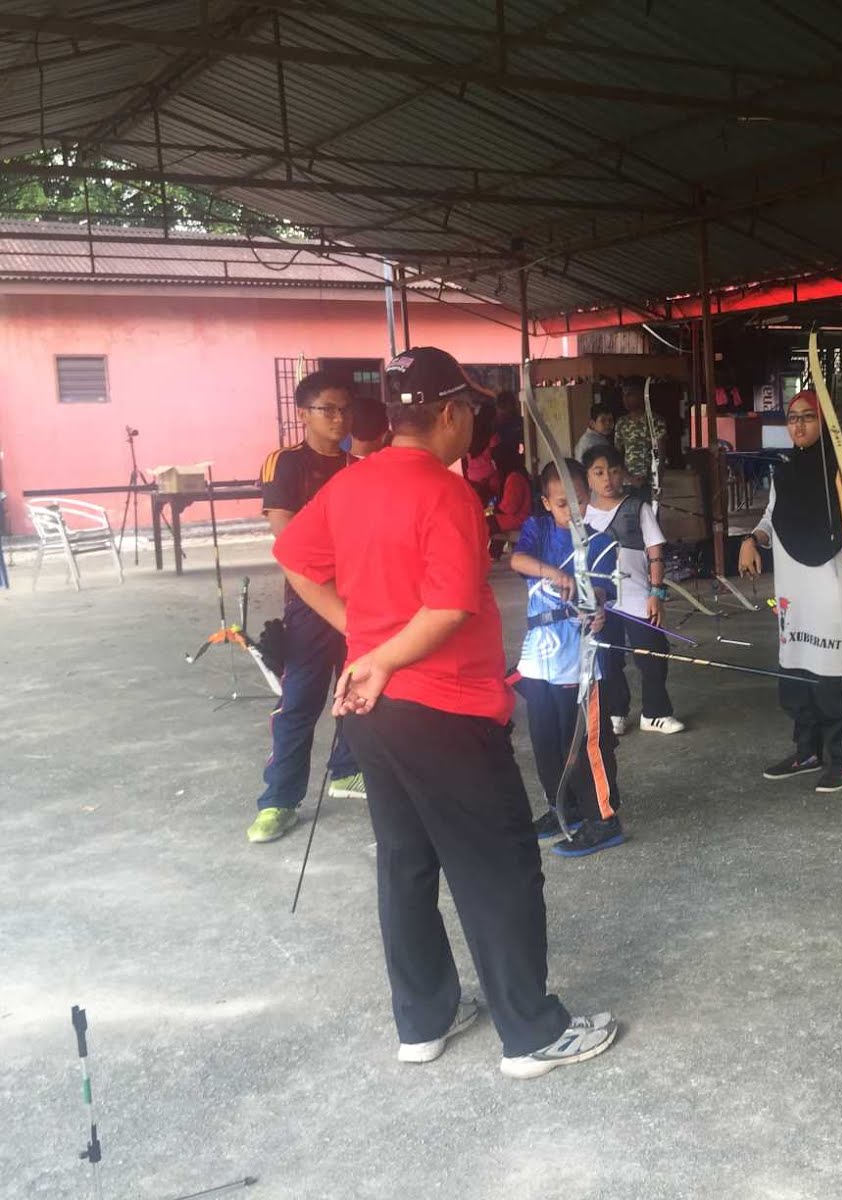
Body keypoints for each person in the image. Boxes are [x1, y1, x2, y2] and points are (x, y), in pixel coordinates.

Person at [273, 345, 617, 1079]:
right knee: (498, 865)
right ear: (453, 414)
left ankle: (423, 1020)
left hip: (374, 710)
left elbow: (293, 556)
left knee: (406, 861)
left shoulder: (351, 482)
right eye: (471, 412)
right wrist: (383, 654)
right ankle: (531, 1034)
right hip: (445, 710)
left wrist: (364, 640)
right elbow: (450, 606)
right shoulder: (445, 491)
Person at [737, 388, 842, 794]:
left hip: (833, 591)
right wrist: (752, 539)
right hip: (794, 592)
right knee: (798, 672)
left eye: (808, 416)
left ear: (825, 423)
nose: (798, 424)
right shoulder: (784, 474)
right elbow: (770, 517)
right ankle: (807, 750)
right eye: (793, 417)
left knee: (833, 673)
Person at [246, 371, 362, 843]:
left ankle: (348, 770)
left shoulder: (360, 466)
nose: (339, 418)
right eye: (327, 409)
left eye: (345, 409)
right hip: (310, 601)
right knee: (300, 700)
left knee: (358, 690)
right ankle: (279, 799)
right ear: (303, 413)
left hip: (360, 597)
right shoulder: (286, 463)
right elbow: (288, 537)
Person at [509, 460, 625, 857]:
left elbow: (603, 593)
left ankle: (603, 818)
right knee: (546, 740)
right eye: (562, 504)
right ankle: (565, 806)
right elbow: (517, 561)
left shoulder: (601, 543)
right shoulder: (538, 531)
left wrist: (596, 606)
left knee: (585, 742)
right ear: (546, 503)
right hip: (538, 661)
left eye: (578, 503)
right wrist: (556, 575)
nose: (571, 513)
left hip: (579, 662)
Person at [583, 443, 684, 736]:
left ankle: (655, 713)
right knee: (608, 657)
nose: (607, 479)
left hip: (638, 595)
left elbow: (655, 551)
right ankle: (615, 711)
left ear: (623, 474)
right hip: (601, 600)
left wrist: (657, 593)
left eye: (614, 471)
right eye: (599, 472)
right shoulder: (581, 515)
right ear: (588, 477)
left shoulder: (638, 507)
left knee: (653, 652)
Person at [487, 439, 533, 562]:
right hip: (517, 516)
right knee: (492, 521)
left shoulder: (514, 478)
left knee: (486, 523)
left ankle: (490, 554)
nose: (493, 463)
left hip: (518, 518)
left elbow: (510, 507)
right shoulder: (515, 474)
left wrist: (496, 509)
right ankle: (493, 554)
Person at [612, 382, 653, 491]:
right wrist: (630, 478)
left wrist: (656, 479)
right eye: (623, 395)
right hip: (628, 483)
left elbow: (661, 456)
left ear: (641, 395)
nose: (625, 399)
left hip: (650, 483)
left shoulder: (654, 421)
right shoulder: (622, 423)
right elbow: (617, 455)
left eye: (630, 394)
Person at [574, 399, 616, 464]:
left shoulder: (591, 438)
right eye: (603, 420)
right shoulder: (594, 442)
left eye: (610, 420)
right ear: (592, 423)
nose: (608, 424)